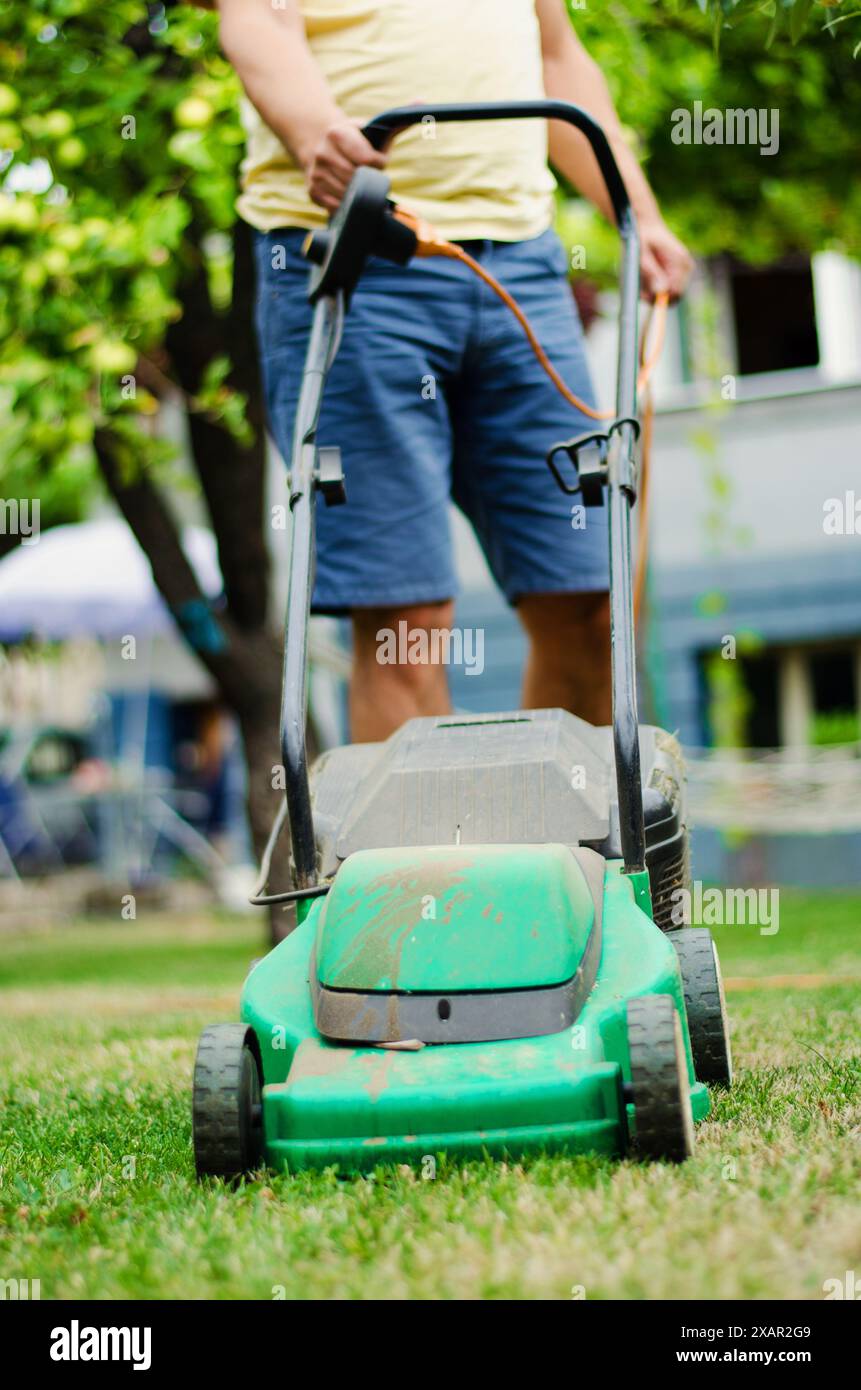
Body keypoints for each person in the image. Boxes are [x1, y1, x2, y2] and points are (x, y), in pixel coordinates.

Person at [211, 0, 692, 740]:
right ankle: (427, 860)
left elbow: (556, 55)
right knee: (406, 620)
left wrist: (638, 215)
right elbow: (256, 19)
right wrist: (315, 134)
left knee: (592, 597)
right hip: (353, 252)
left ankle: (558, 846)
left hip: (523, 265)